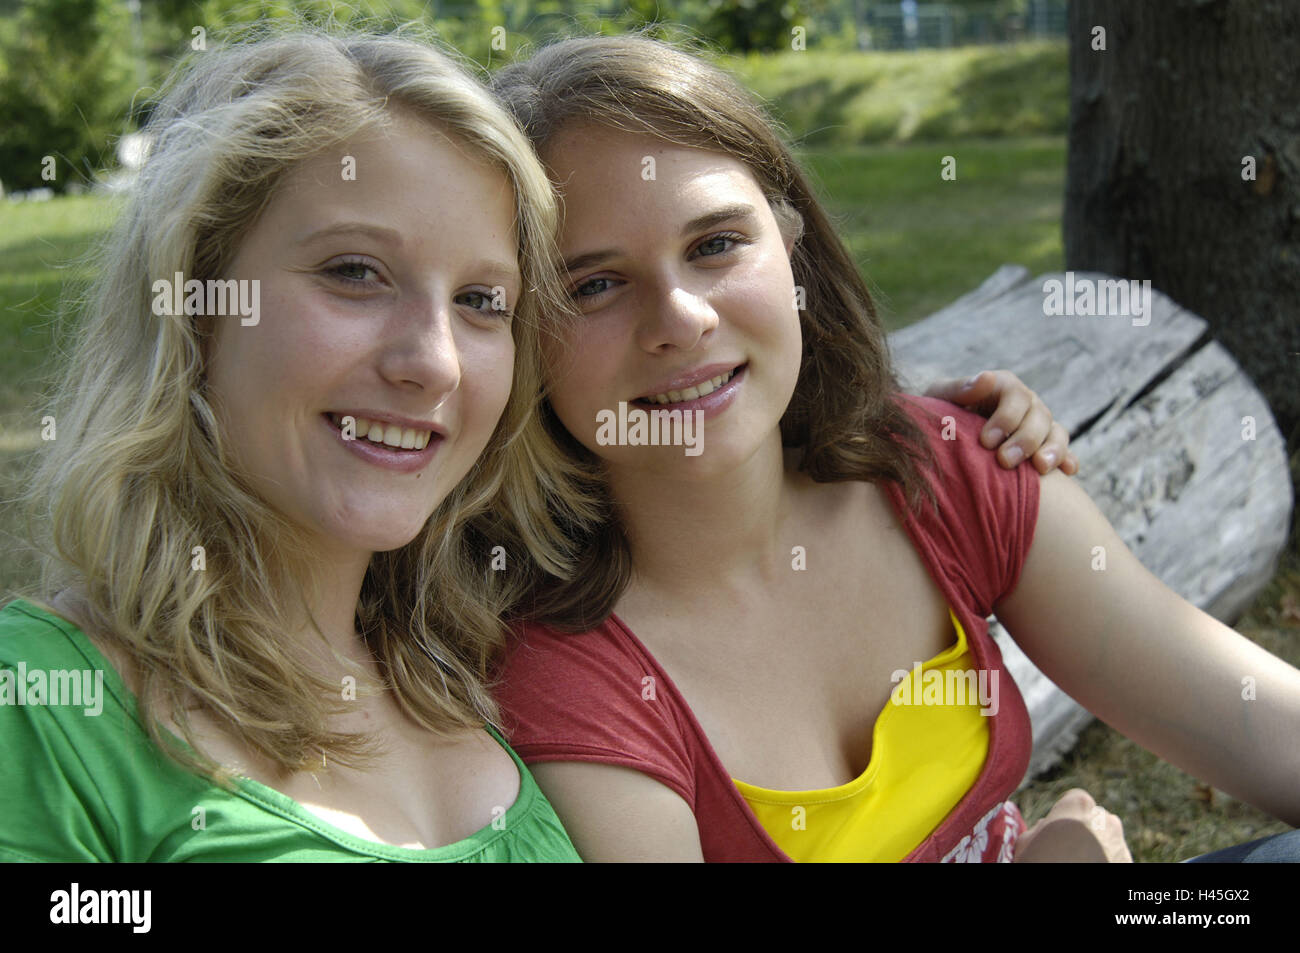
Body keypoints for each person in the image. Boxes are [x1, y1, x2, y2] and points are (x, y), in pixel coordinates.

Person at [486, 34, 1300, 862]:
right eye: (594, 284)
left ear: (791, 242)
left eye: (715, 244)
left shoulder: (937, 466)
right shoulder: (564, 678)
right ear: (519, 333)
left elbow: (1259, 725)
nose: (681, 319)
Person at [0, 28, 586, 862]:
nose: (433, 360)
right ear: (194, 303)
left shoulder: (489, 670)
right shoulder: (44, 709)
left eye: (482, 300)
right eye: (355, 272)